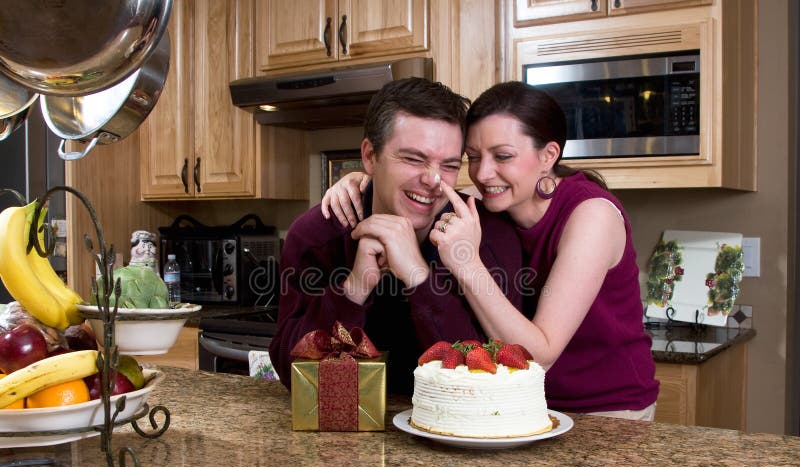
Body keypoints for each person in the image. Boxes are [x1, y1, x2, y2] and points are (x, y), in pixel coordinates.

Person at [322, 81, 659, 420]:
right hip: (521, 408)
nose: (482, 174)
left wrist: (465, 262)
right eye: (473, 157)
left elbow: (540, 357)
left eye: (503, 156)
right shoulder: (494, 202)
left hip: (606, 411)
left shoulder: (592, 216)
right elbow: (417, 185)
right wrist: (361, 181)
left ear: (548, 156)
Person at [268, 77, 523, 394]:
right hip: (346, 424)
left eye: (449, 165)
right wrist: (354, 288)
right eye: (414, 159)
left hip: (451, 424)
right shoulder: (317, 234)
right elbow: (293, 375)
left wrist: (418, 276)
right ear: (369, 157)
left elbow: (488, 383)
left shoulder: (489, 234)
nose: (432, 180)